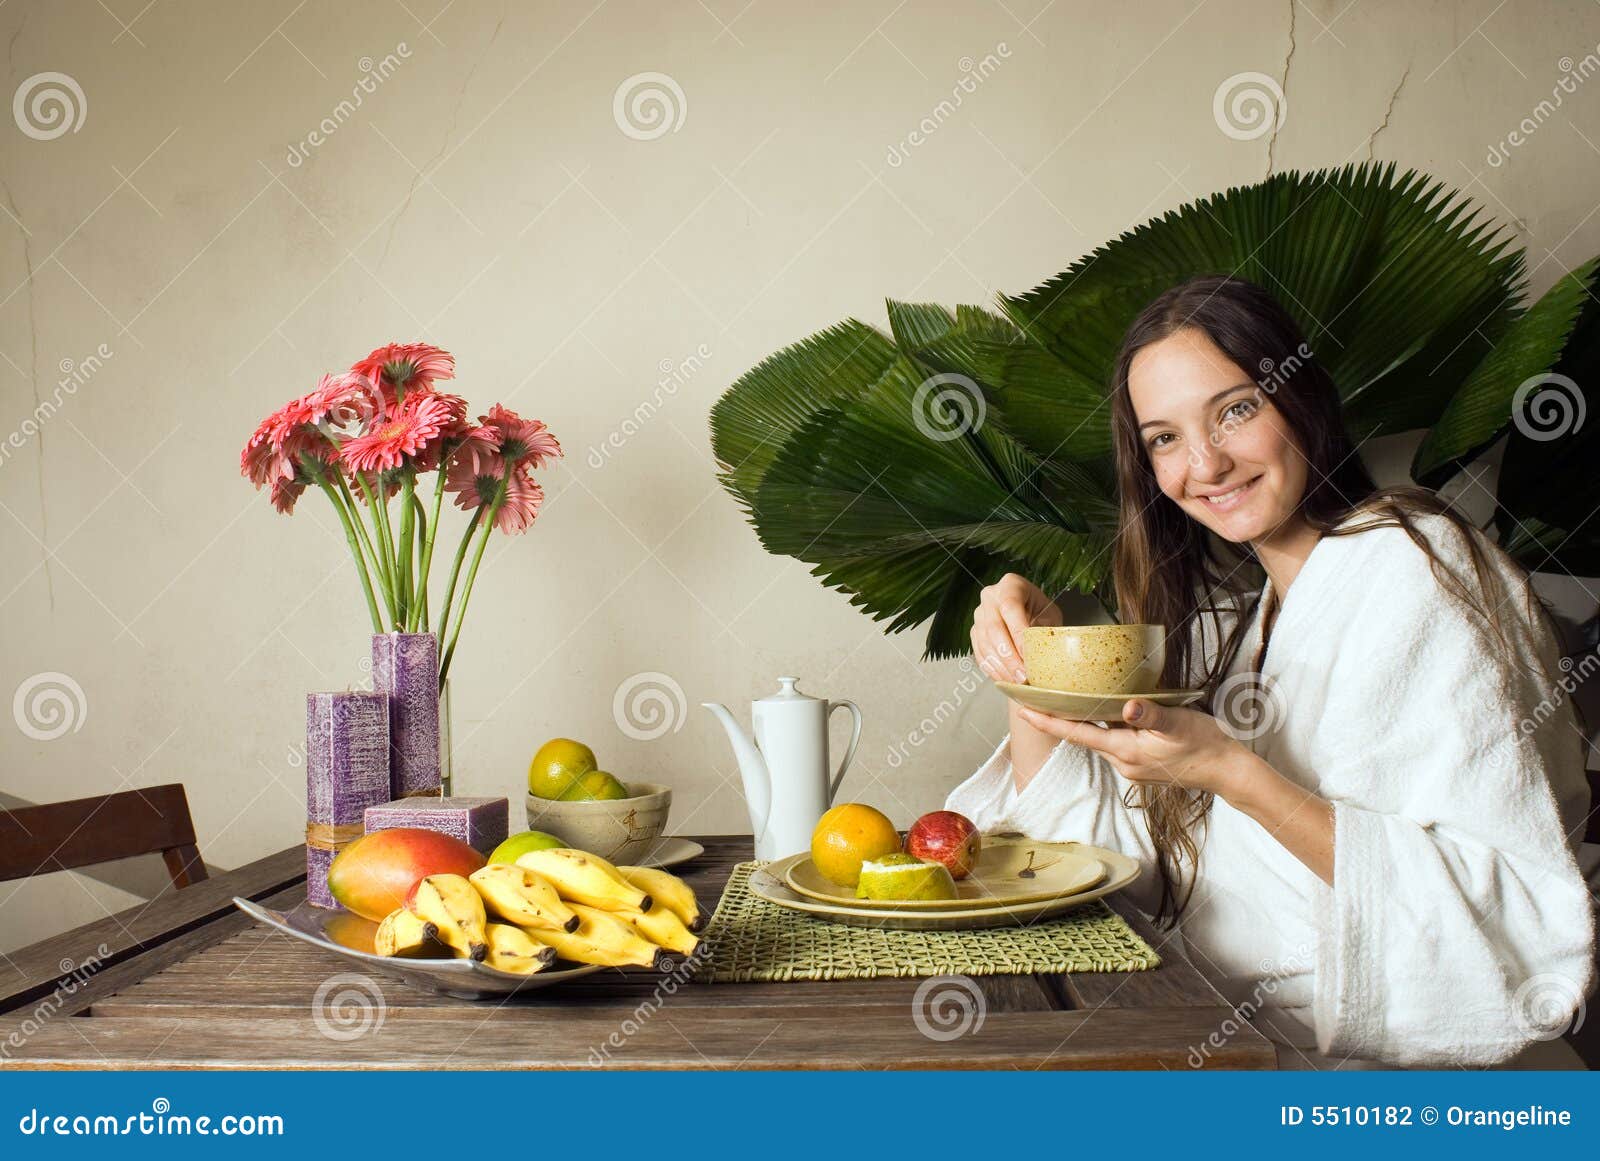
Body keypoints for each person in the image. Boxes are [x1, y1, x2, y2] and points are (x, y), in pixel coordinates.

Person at [948, 274, 1595, 1068]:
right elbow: (1122, 870)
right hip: (1240, 1045)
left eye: (1237, 408)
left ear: (1304, 400)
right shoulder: (1253, 622)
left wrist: (1230, 769)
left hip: (1410, 1079)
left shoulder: (1413, 566)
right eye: (1164, 438)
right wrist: (1032, 665)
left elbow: (1501, 914)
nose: (1206, 463)